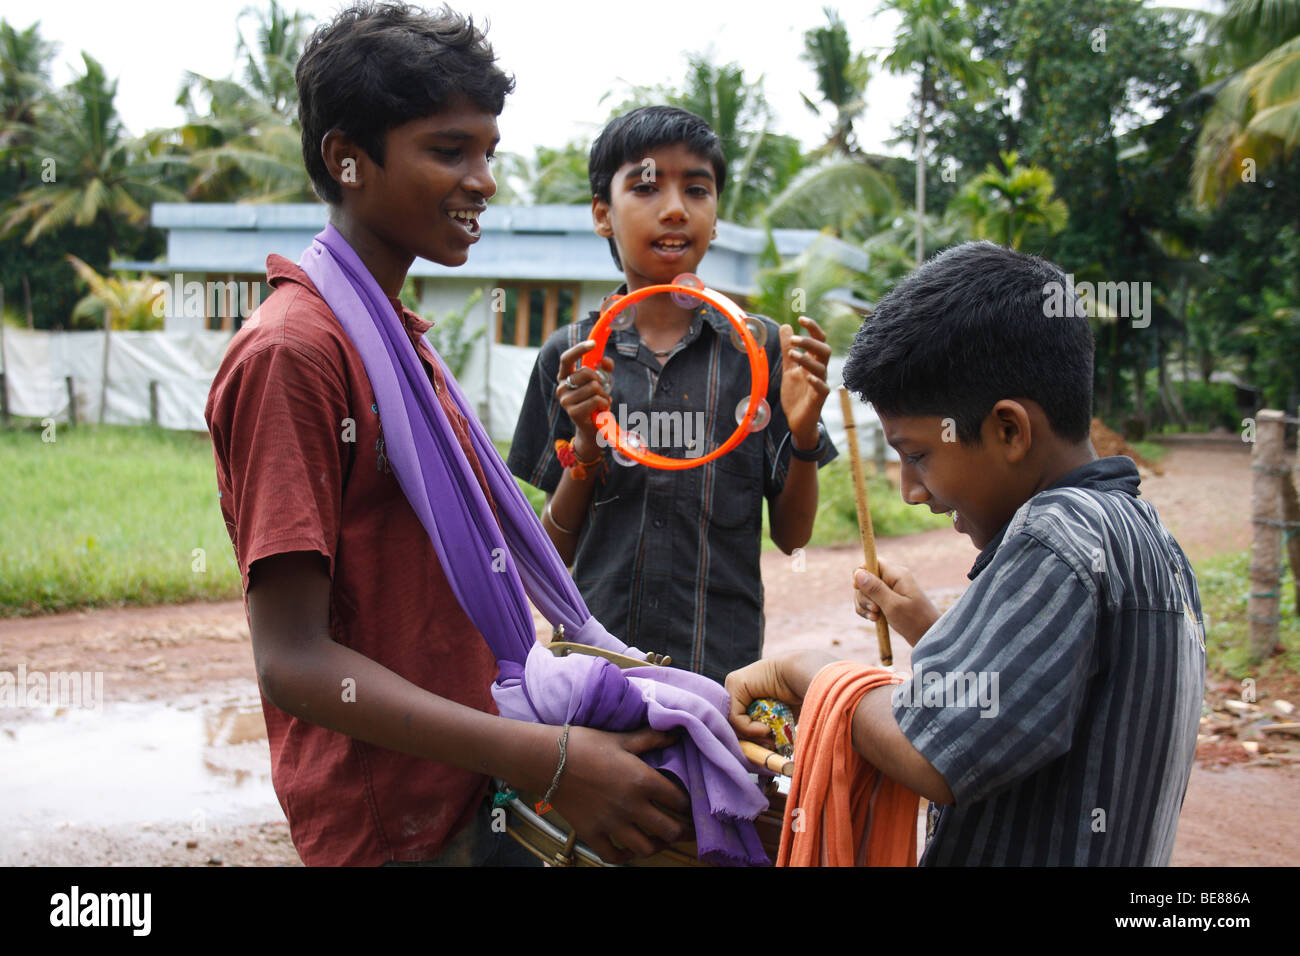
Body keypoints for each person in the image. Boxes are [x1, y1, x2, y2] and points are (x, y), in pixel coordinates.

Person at [204, 1, 688, 867]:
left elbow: (485, 584)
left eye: (488, 152)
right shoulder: (296, 354)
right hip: (397, 822)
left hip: (471, 780)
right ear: (345, 159)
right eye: (448, 149)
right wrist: (552, 759)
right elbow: (292, 661)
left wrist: (581, 463)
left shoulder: (396, 342)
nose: (485, 180)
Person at [726, 241, 1206, 866]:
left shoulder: (1054, 537)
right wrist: (926, 627)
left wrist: (810, 673)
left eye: (918, 454)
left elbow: (932, 753)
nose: (912, 490)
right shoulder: (1145, 539)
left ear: (1009, 430)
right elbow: (1041, 699)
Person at [508, 106, 836, 684]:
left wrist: (804, 435)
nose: (677, 208)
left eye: (698, 189)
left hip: (719, 677)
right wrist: (586, 447)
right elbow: (552, 552)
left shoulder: (761, 354)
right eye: (646, 187)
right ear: (603, 215)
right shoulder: (572, 356)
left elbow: (793, 537)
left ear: (714, 215)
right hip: (595, 674)